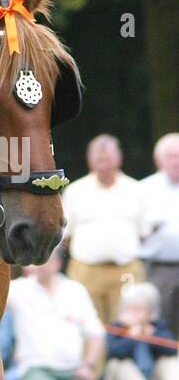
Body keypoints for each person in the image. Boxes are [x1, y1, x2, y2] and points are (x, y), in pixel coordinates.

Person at [62, 134, 149, 322]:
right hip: (86, 270)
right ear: (90, 161)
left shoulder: (137, 190)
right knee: (89, 325)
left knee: (129, 326)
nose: (104, 164)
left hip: (126, 271)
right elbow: (66, 236)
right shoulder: (75, 191)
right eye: (99, 159)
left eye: (108, 159)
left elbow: (144, 233)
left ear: (119, 159)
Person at [4, 250, 106, 380]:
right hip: (36, 368)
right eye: (35, 260)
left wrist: (88, 366)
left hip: (74, 371)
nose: (38, 264)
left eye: (43, 260)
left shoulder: (75, 290)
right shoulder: (19, 290)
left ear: (57, 263)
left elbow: (96, 334)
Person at [101, 281, 179, 380]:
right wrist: (131, 337)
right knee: (119, 363)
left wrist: (153, 334)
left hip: (152, 379)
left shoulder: (157, 327)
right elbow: (113, 353)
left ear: (150, 312)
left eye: (140, 310)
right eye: (131, 309)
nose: (135, 314)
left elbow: (172, 351)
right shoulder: (117, 327)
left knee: (168, 361)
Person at [140, 132, 179, 339]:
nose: (176, 161)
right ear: (159, 160)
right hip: (158, 270)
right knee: (160, 323)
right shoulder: (144, 189)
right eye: (171, 156)